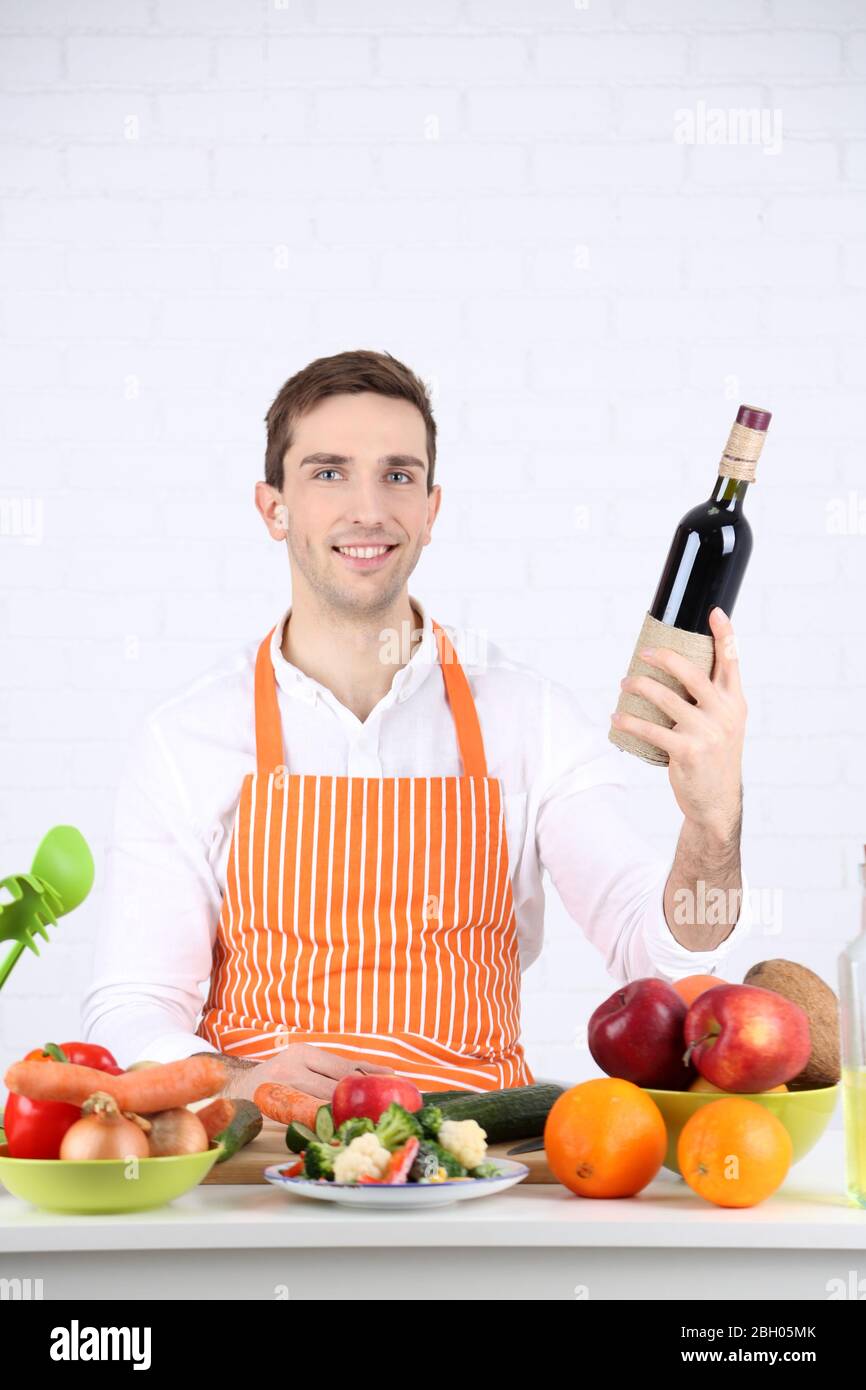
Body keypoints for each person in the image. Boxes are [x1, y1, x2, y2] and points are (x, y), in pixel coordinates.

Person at [82, 350, 751, 1101]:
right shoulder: (186, 738)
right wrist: (243, 1078)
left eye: (397, 475)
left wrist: (712, 826)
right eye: (328, 472)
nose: (368, 509)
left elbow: (663, 968)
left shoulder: (529, 718)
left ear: (430, 510)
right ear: (273, 507)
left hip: (475, 1162)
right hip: (262, 1161)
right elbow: (129, 1009)